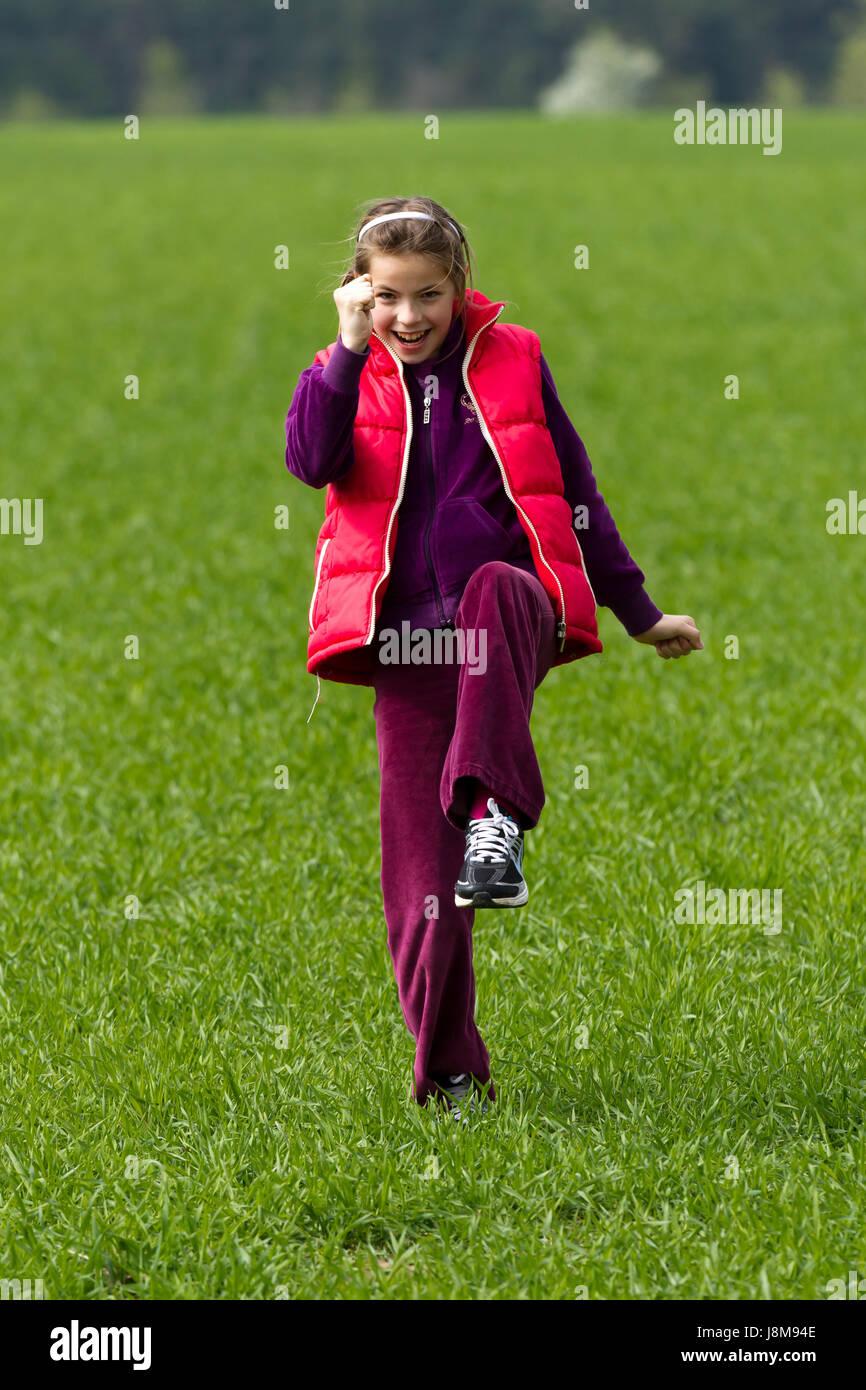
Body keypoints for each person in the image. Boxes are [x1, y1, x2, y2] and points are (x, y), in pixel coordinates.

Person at [284, 195, 702, 1122]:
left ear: (460, 288)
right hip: (404, 644)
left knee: (498, 589)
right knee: (423, 899)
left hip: (507, 617)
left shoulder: (516, 358)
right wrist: (347, 350)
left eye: (428, 295)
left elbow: (575, 486)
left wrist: (638, 612)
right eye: (387, 296)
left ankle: (497, 820)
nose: (409, 316)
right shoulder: (341, 373)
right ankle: (453, 1077)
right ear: (359, 291)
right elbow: (310, 461)